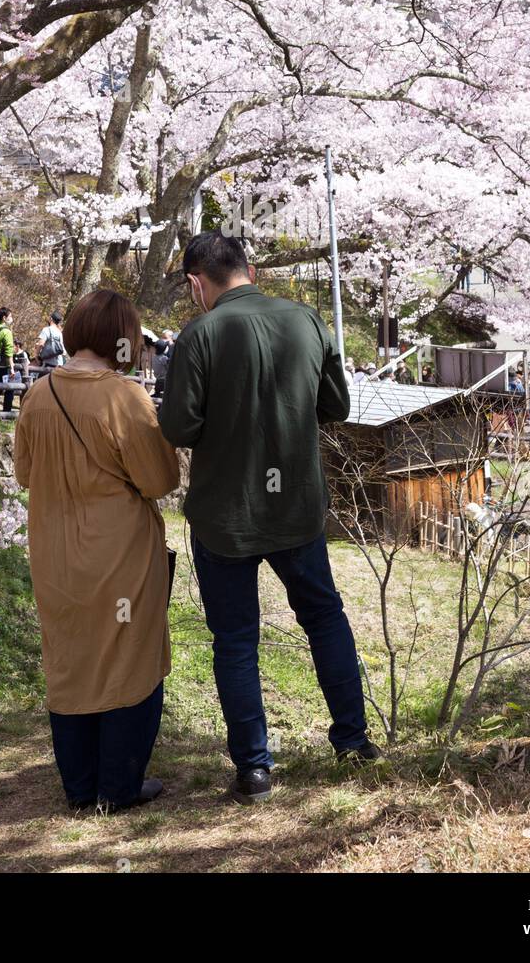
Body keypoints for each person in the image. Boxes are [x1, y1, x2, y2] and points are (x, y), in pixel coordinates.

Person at [159, 231, 376, 805]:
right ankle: (353, 742)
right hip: (295, 506)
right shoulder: (305, 320)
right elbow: (337, 406)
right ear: (250, 270)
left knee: (235, 641)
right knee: (325, 619)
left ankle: (254, 769)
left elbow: (179, 428)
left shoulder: (198, 334)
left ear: (195, 282)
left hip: (224, 515)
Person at [14, 289, 179, 813]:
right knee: (130, 662)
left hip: (55, 553)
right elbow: (159, 480)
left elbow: (24, 474)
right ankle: (120, 786)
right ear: (122, 338)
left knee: (70, 661)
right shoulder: (124, 396)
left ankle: (80, 789)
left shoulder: (38, 394)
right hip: (120, 553)